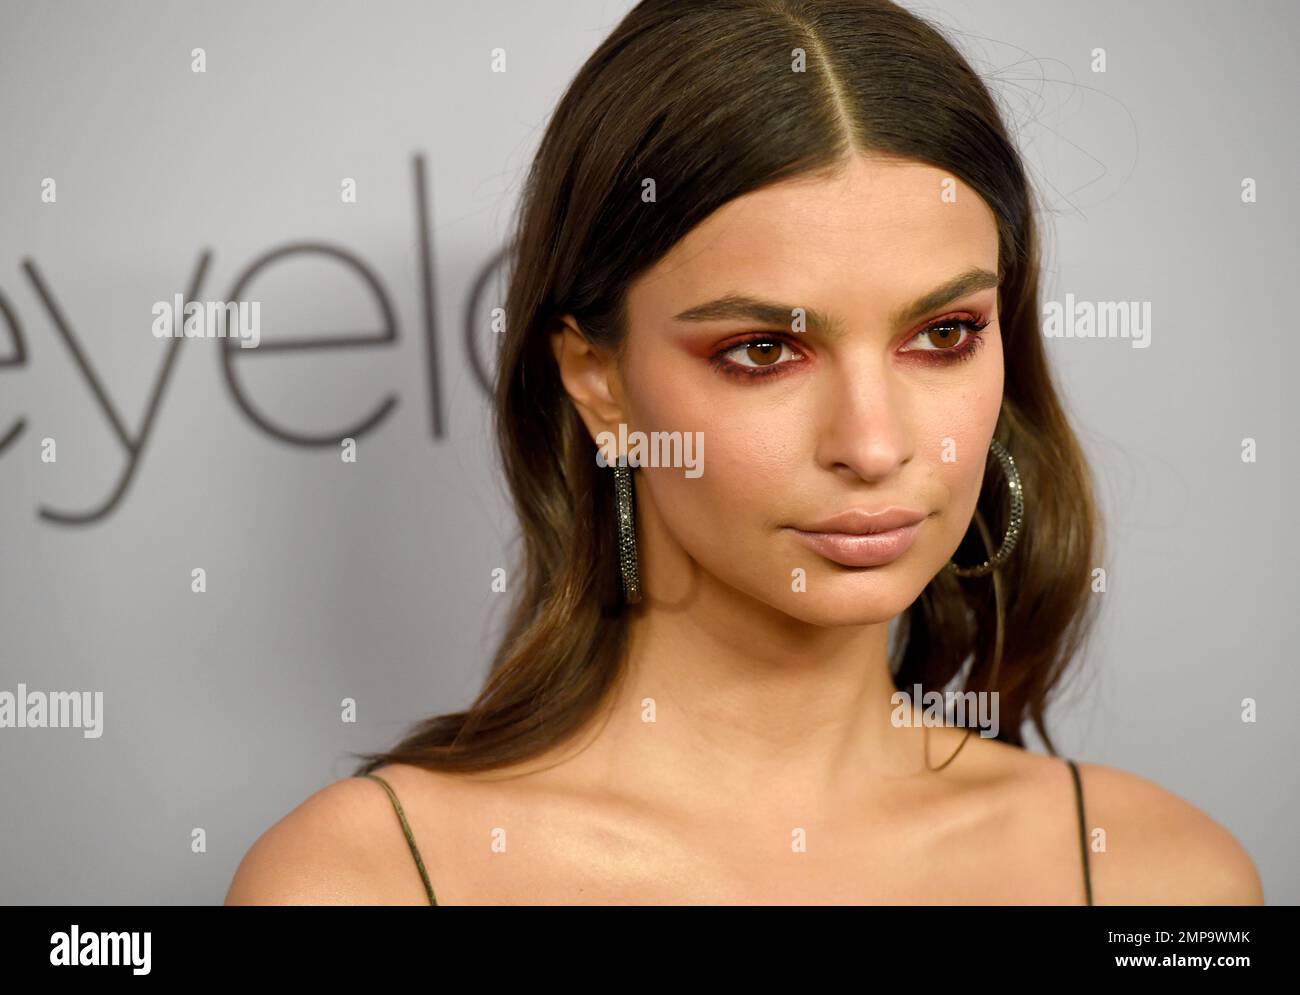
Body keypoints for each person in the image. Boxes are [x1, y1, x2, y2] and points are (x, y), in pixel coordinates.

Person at [226, 0, 1263, 905]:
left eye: (941, 335)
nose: (873, 442)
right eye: (763, 350)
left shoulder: (1158, 879)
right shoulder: (366, 881)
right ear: (599, 382)